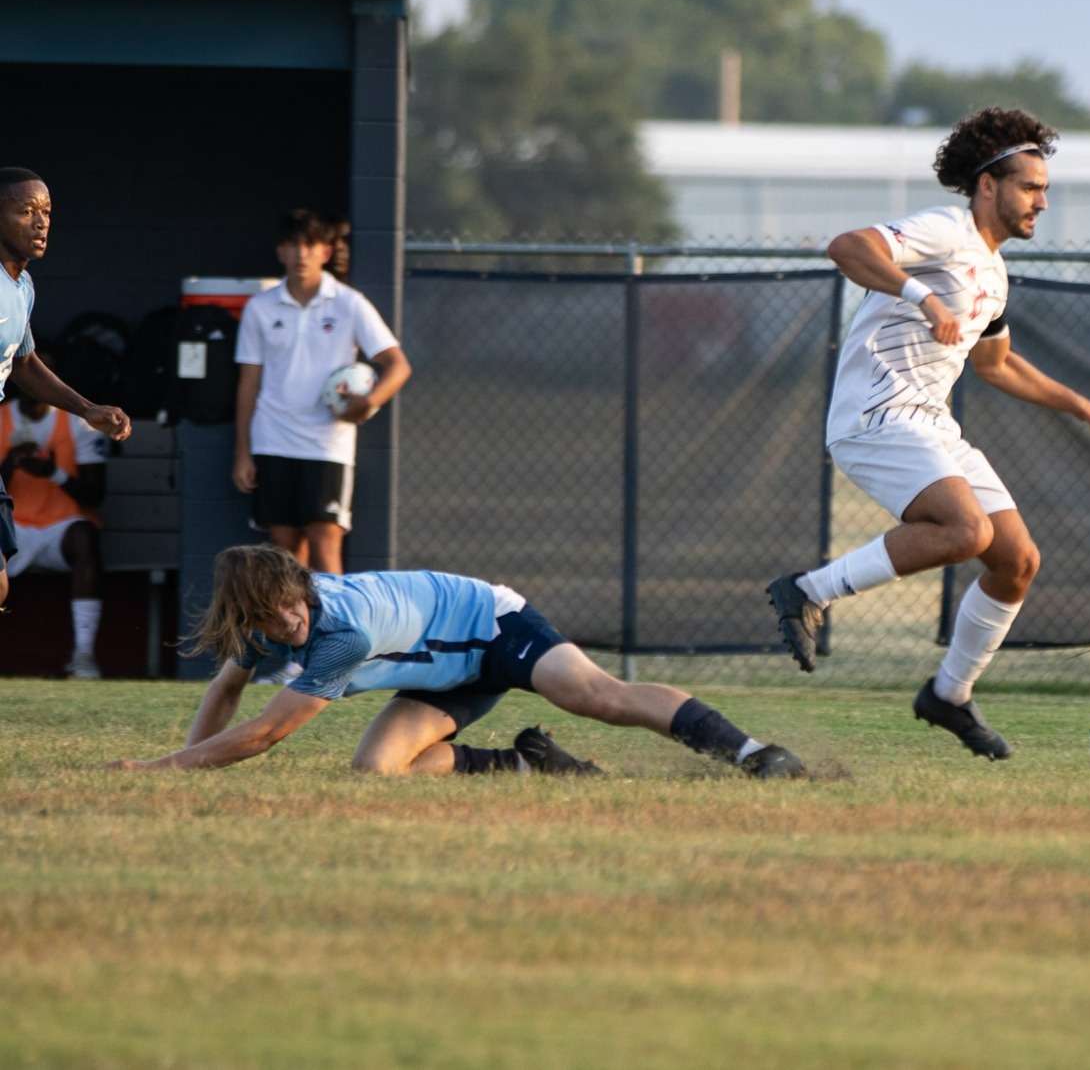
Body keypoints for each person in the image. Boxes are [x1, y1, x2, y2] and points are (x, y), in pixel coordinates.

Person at [765, 108, 1090, 759]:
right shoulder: (946, 230)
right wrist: (922, 296)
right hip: (875, 413)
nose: (1042, 202)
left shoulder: (993, 273)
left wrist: (1082, 406)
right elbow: (848, 247)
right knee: (969, 530)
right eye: (1030, 187)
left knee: (1016, 560)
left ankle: (949, 694)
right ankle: (807, 590)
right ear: (988, 186)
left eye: (1045, 189)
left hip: (931, 421)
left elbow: (994, 363)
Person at [110, 543, 806, 778]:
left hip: (490, 624)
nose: (292, 620)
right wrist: (185, 766)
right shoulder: (262, 626)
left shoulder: (339, 630)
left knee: (595, 694)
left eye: (296, 605)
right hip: (443, 674)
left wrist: (156, 769)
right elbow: (228, 688)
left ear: (301, 586)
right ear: (251, 615)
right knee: (376, 769)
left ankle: (751, 753)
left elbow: (265, 733)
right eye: (275, 617)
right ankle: (531, 763)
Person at [234, 209, 410, 574]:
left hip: (327, 443)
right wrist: (243, 452)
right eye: (293, 245)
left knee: (325, 549)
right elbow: (248, 381)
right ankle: (294, 632)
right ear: (280, 251)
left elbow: (398, 364)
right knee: (283, 555)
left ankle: (334, 632)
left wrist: (368, 402)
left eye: (311, 245)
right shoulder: (260, 308)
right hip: (272, 440)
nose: (302, 254)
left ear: (326, 253)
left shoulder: (349, 303)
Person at [0, 168, 131, 619]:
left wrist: (87, 408)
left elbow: (24, 363)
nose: (40, 223)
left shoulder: (22, 287)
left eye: (46, 212)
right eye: (25, 212)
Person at [2, 347, 110, 678]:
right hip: (12, 526)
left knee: (85, 540)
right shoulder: (2, 416)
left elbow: (95, 493)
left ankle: (83, 656)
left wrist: (52, 472)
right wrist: (11, 463)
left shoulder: (78, 423)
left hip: (59, 528)